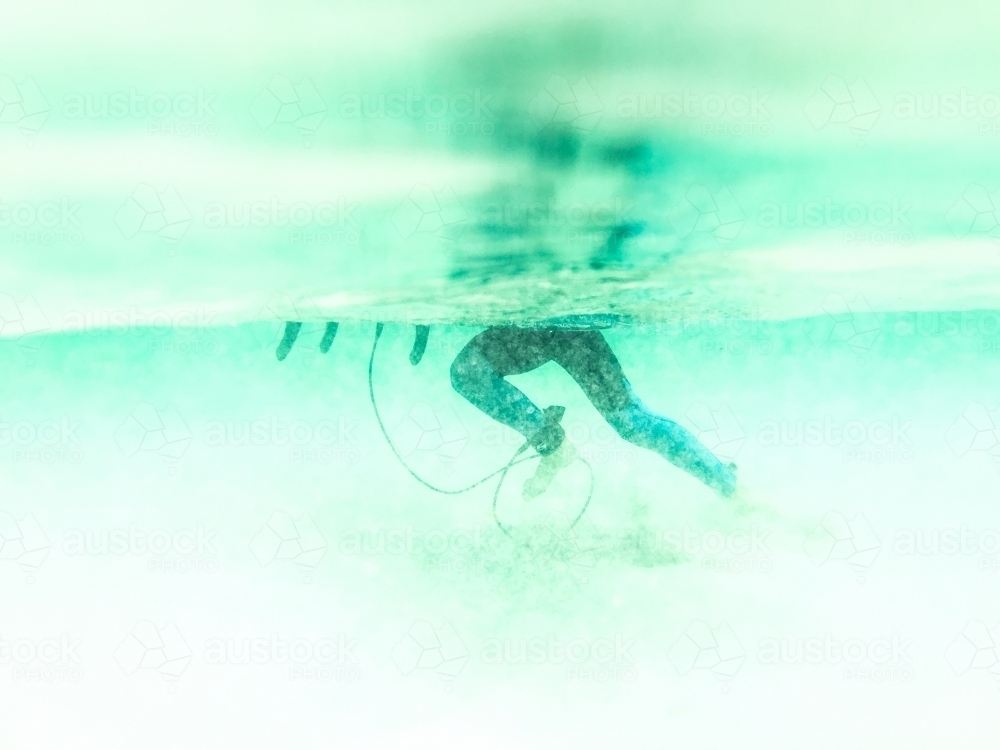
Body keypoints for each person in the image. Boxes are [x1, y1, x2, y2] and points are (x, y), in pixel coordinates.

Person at [449, 326, 737, 499]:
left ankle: (731, 488)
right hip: (554, 321)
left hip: (557, 320)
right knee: (630, 419)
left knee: (630, 419)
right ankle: (552, 445)